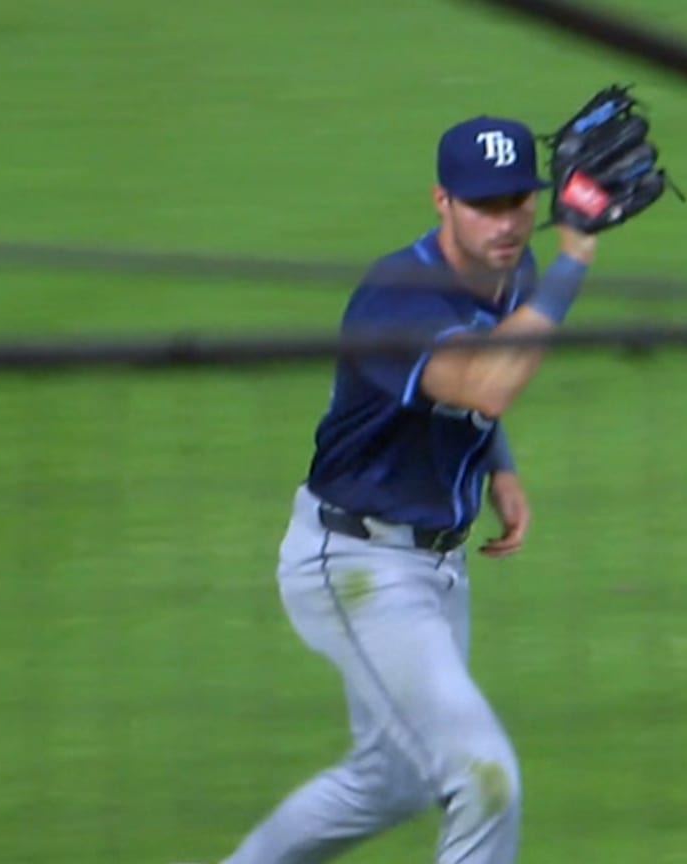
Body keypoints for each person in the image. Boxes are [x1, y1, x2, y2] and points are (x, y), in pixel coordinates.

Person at [210, 114, 603, 864]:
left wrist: (499, 467)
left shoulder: (507, 272)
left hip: (433, 570)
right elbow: (486, 382)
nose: (507, 221)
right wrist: (574, 260)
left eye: (521, 199)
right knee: (484, 779)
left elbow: (480, 385)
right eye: (485, 205)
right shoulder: (399, 296)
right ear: (441, 201)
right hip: (356, 567)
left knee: (387, 782)